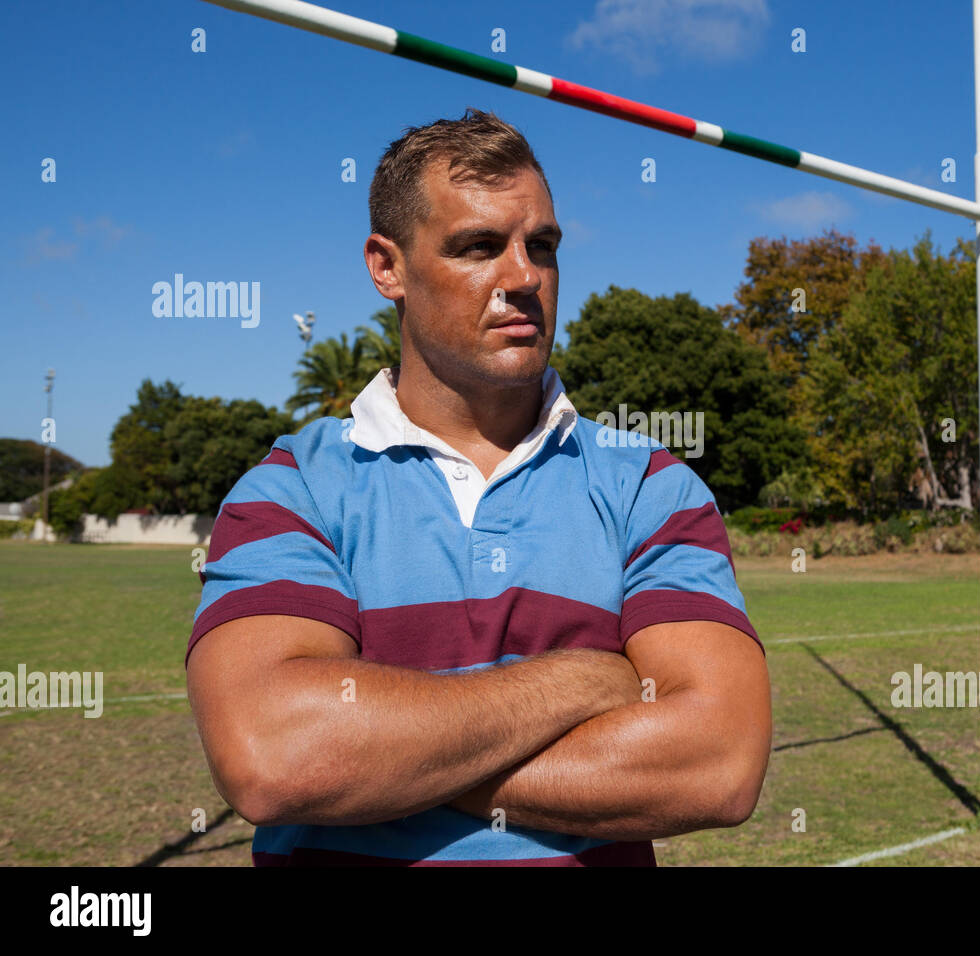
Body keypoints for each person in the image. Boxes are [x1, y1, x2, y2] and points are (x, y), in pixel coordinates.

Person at [185, 108, 771, 866]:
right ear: (386, 266)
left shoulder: (651, 489)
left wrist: (396, 759)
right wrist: (582, 682)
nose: (523, 277)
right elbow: (275, 756)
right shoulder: (293, 488)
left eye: (544, 246)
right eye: (479, 247)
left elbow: (718, 765)